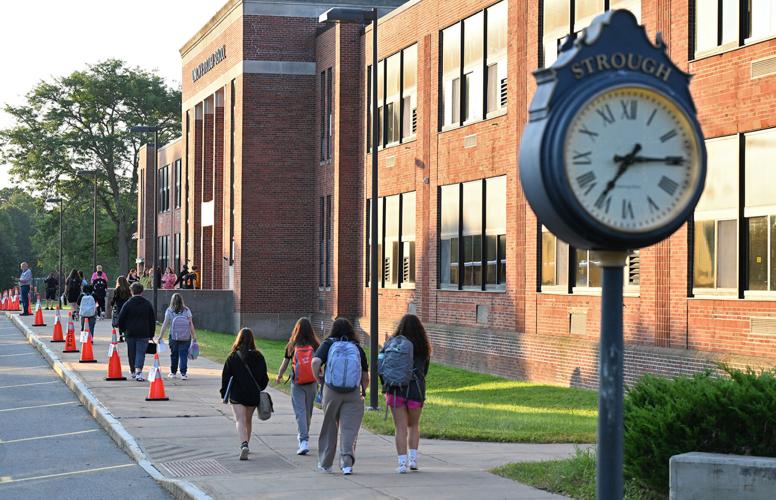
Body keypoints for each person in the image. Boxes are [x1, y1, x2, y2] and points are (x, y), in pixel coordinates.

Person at [312, 318, 369, 475]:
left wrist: (319, 379)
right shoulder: (357, 348)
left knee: (329, 425)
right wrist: (362, 389)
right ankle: (347, 464)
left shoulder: (328, 344)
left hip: (331, 390)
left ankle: (325, 463)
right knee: (349, 428)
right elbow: (365, 377)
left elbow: (315, 362)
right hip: (353, 392)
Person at [381, 314, 431, 473]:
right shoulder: (423, 347)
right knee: (413, 425)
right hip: (415, 390)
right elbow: (425, 371)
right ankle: (413, 460)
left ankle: (402, 464)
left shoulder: (391, 343)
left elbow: (381, 366)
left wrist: (386, 384)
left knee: (400, 427)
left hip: (395, 390)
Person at [219, 328, 269, 460]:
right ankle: (247, 444)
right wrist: (260, 387)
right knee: (248, 420)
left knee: (240, 420)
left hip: (237, 394)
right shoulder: (259, 357)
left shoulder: (233, 357)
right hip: (252, 395)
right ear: (252, 340)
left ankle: (243, 444)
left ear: (239, 339)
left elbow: (225, 377)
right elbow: (264, 378)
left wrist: (224, 393)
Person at [276, 318, 321, 456]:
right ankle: (304, 436)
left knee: (300, 412)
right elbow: (321, 363)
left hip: (297, 383)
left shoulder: (292, 344)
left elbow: (285, 363)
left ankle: (303, 440)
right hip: (312, 382)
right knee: (308, 412)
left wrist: (279, 375)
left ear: (297, 329)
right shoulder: (315, 344)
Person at [117, 282, 156, 381]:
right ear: (142, 292)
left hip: (130, 332)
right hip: (144, 332)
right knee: (141, 352)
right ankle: (139, 371)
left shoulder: (128, 304)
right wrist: (151, 333)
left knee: (131, 352)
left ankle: (133, 370)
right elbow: (152, 320)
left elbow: (121, 319)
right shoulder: (147, 304)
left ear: (131, 291)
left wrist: (122, 330)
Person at [157, 293, 197, 380]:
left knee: (174, 354)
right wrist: (194, 336)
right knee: (183, 354)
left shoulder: (169, 310)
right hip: (186, 337)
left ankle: (173, 372)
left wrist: (160, 336)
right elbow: (190, 324)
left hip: (173, 336)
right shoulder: (187, 310)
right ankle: (183, 373)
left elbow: (165, 324)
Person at [110, 276, 132, 342]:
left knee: (120, 321)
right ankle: (126, 335)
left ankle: (121, 337)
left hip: (120, 307)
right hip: (127, 306)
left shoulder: (117, 289)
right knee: (127, 321)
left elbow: (114, 298)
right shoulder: (128, 289)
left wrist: (112, 304)